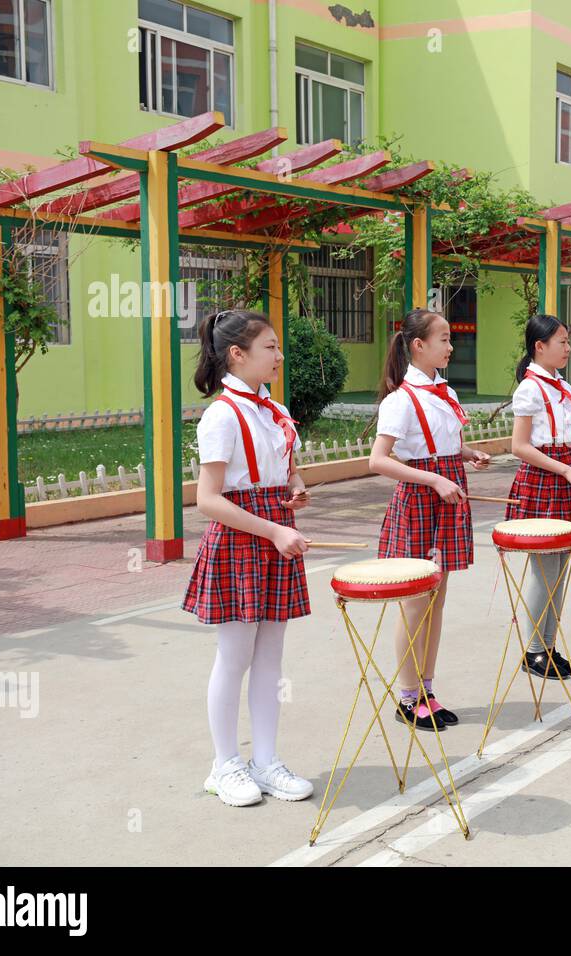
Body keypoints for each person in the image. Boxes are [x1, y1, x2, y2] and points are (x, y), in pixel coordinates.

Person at [183, 309, 314, 808]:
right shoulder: (222, 414)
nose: (279, 356)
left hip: (274, 532)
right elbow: (209, 500)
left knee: (271, 657)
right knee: (234, 657)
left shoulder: (272, 411)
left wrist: (295, 489)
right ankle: (224, 765)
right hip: (242, 538)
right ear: (237, 355)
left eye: (278, 347)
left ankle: (265, 760)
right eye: (270, 348)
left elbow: (288, 472)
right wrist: (275, 529)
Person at [369, 309, 491, 732]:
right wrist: (435, 478)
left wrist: (468, 454)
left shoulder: (445, 393)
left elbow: (444, 447)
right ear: (418, 345)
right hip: (421, 500)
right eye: (443, 338)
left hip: (445, 492)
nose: (451, 345)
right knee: (415, 604)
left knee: (437, 601)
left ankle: (427, 688)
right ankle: (407, 696)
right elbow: (379, 460)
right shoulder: (400, 401)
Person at [507, 314, 571, 679]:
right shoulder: (530, 389)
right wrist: (566, 470)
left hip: (562, 471)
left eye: (568, 341)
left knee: (561, 568)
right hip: (544, 476)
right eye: (561, 342)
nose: (568, 348)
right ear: (539, 347)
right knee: (544, 571)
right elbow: (519, 446)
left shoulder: (560, 386)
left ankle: (549, 648)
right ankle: (535, 651)